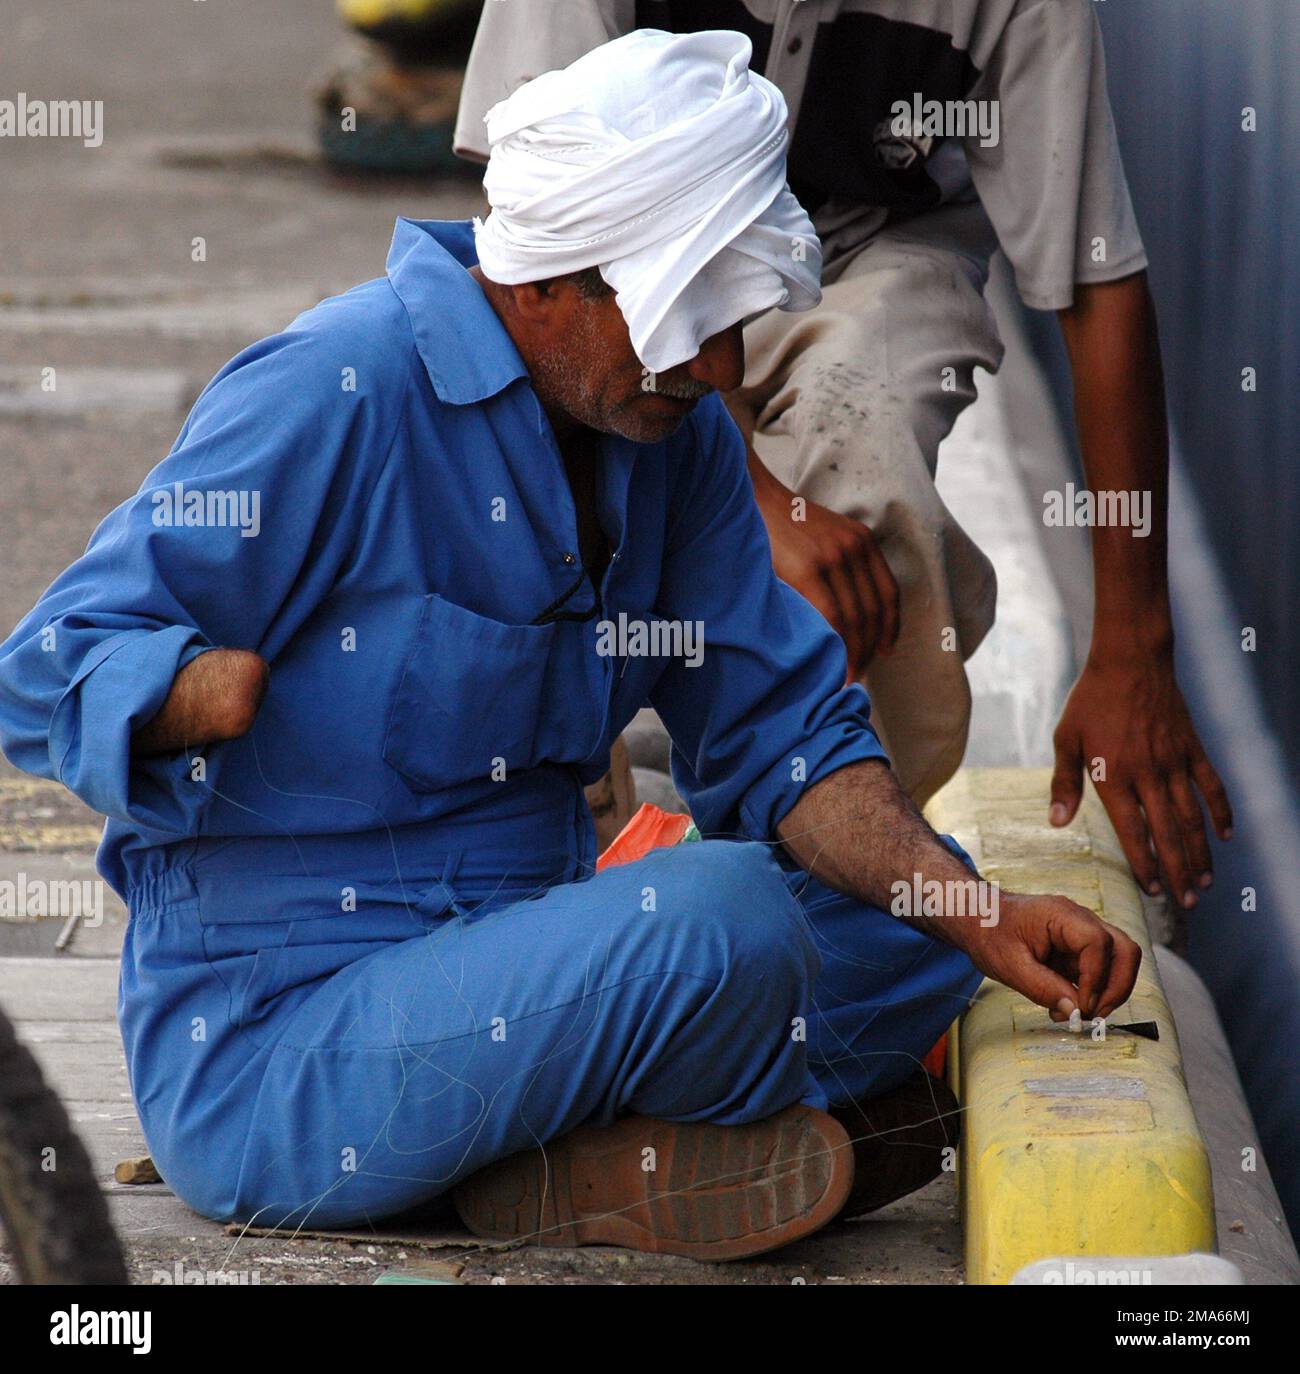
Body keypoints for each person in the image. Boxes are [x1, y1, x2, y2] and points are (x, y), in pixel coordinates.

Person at [0, 31, 1139, 1259]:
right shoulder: (336, 389)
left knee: (913, 930)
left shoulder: (671, 434)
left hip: (514, 964)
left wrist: (974, 914)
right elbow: (40, 667)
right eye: (685, 325)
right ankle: (620, 1133)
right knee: (728, 925)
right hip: (278, 1057)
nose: (717, 369)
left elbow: (785, 738)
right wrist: (186, 692)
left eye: (725, 324)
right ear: (550, 280)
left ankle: (562, 1154)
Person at [455, 0, 1233, 911]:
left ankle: (830, 883)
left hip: (871, 251)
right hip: (631, 262)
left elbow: (1098, 282)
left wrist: (1134, 650)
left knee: (865, 463)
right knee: (568, 422)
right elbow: (534, 239)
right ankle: (586, 846)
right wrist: (759, 504)